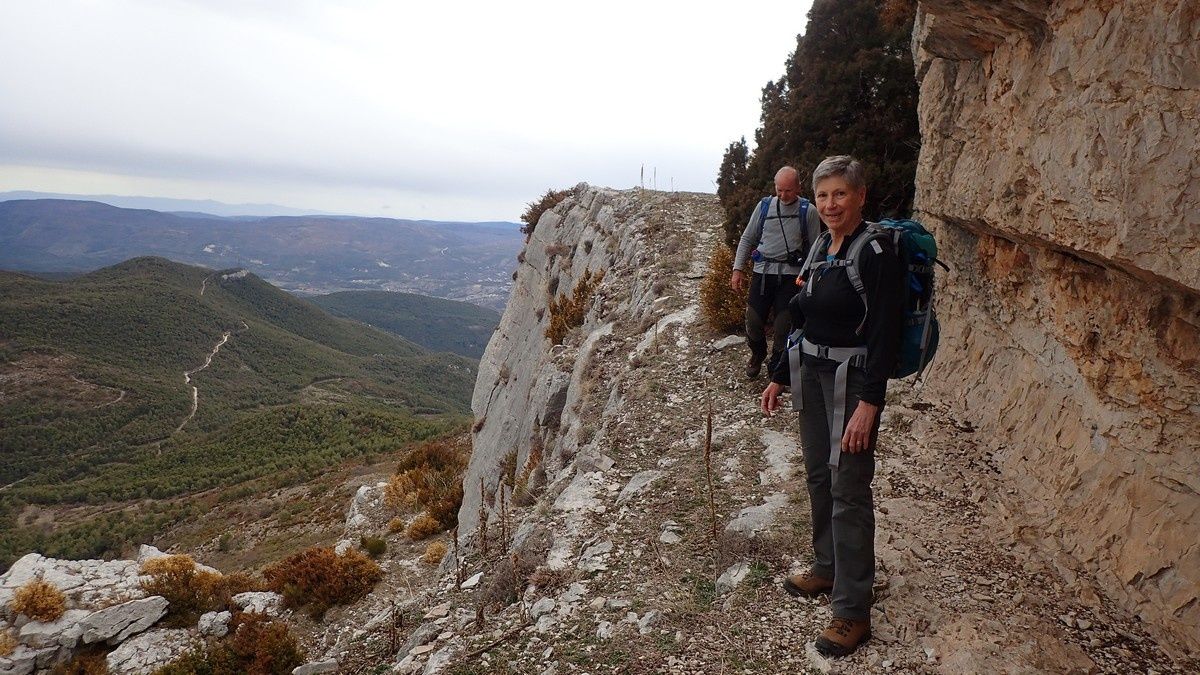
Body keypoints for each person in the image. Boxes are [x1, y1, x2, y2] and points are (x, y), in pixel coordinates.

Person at [760, 155, 904, 657]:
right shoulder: (823, 243)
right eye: (822, 196)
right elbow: (802, 311)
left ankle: (851, 611)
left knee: (848, 486)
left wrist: (871, 403)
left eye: (840, 194)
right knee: (820, 475)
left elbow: (885, 332)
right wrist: (779, 374)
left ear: (860, 196)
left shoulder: (877, 251)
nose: (829, 204)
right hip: (812, 372)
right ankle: (827, 567)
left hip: (853, 379)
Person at [731, 166, 823, 378]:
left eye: (788, 190)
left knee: (783, 327)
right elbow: (747, 238)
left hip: (791, 277)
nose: (783, 195)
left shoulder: (807, 211)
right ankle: (758, 353)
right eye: (779, 190)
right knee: (753, 322)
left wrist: (810, 277)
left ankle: (776, 367)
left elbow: (816, 247)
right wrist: (738, 269)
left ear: (799, 187)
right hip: (763, 273)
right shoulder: (764, 207)